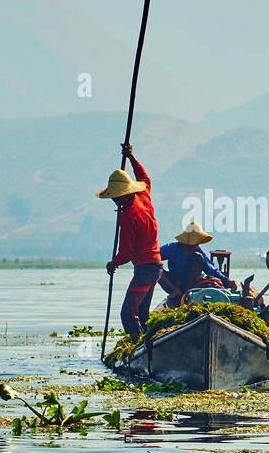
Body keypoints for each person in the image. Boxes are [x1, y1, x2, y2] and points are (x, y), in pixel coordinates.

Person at [98, 142, 162, 341]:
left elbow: (126, 252)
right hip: (156, 268)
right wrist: (132, 157)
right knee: (141, 315)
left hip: (145, 271)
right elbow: (144, 178)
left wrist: (113, 263)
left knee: (127, 314)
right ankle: (147, 348)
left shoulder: (129, 217)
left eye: (114, 197)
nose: (113, 200)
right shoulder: (143, 195)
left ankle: (138, 350)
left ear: (120, 196)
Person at [159, 222, 237, 306]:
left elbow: (211, 269)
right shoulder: (172, 248)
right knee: (155, 268)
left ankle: (187, 295)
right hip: (173, 283)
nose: (197, 244)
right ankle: (176, 291)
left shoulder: (197, 251)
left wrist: (228, 281)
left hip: (190, 284)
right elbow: (154, 256)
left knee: (198, 258)